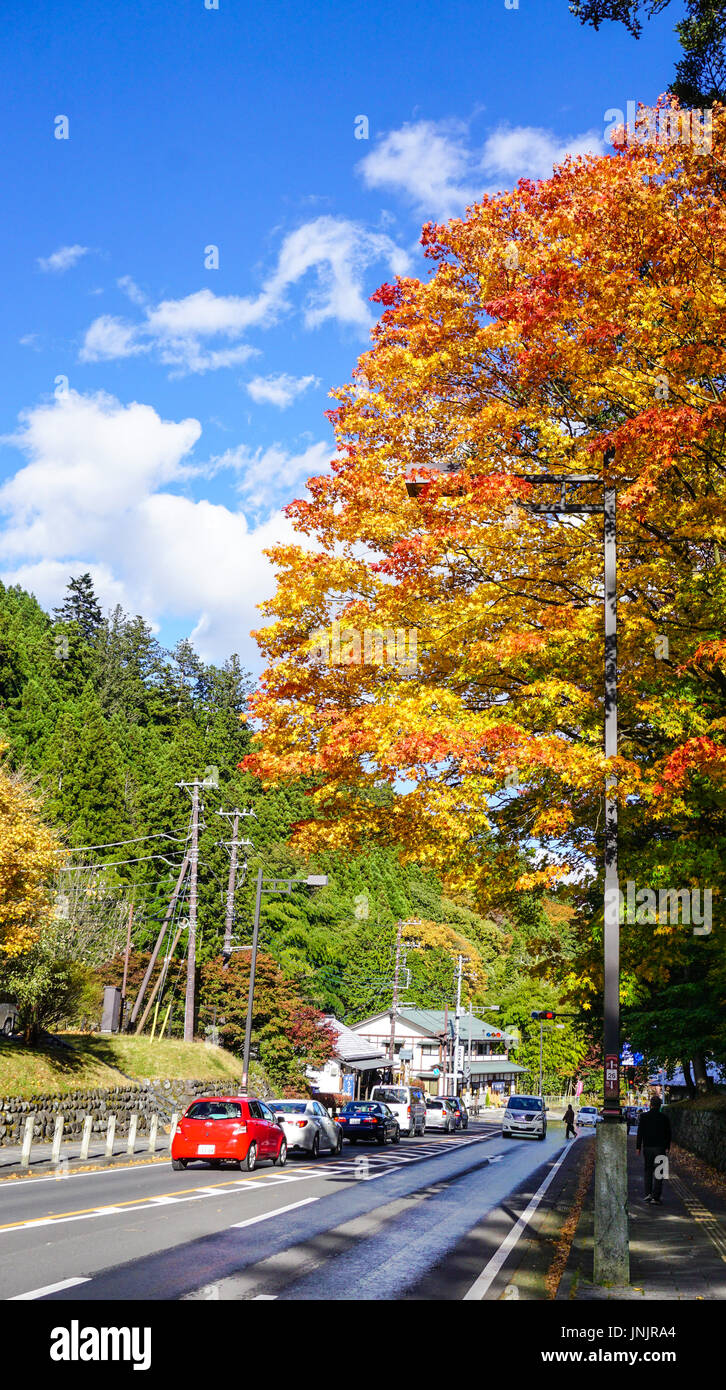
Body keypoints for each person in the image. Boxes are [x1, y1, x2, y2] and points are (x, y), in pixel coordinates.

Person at [636, 1095, 671, 1204]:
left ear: (650, 1105)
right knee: (659, 1172)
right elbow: (668, 1133)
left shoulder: (644, 1117)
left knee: (648, 1171)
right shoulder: (664, 1118)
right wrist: (667, 1146)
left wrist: (638, 1147)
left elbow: (640, 1133)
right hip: (660, 1148)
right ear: (660, 1105)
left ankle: (648, 1194)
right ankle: (656, 1197)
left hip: (647, 1147)